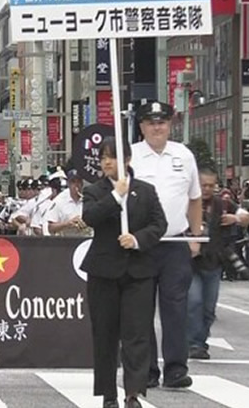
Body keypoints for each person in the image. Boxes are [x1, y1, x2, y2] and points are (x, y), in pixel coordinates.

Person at [81, 137, 167, 408]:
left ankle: (133, 393)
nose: (106, 162)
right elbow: (90, 217)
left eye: (112, 156)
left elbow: (159, 224)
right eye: (102, 157)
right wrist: (115, 196)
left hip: (138, 272)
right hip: (103, 272)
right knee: (105, 334)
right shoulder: (95, 191)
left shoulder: (146, 191)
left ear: (127, 159)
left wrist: (138, 239)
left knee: (137, 334)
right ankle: (108, 394)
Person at [129, 101, 203, 389]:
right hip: (142, 244)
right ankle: (146, 370)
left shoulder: (183, 155)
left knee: (176, 308)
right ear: (141, 126)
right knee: (141, 310)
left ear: (170, 125)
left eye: (161, 122)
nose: (157, 127)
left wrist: (195, 237)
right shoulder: (131, 156)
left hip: (175, 243)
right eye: (151, 122)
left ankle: (175, 369)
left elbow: (194, 198)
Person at [187, 168, 249, 360]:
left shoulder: (223, 203)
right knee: (194, 302)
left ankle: (200, 341)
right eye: (203, 185)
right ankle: (194, 343)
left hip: (214, 261)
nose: (207, 189)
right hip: (190, 262)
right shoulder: (186, 202)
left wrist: (236, 218)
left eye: (210, 185)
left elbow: (248, 217)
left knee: (209, 308)